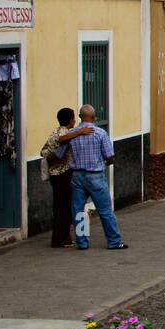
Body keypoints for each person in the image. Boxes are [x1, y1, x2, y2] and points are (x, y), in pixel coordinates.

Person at [66, 104, 128, 250]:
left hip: (77, 176)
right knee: (105, 210)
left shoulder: (72, 133)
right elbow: (110, 156)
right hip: (95, 176)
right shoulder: (100, 133)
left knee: (78, 211)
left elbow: (60, 152)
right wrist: (105, 162)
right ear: (93, 117)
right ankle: (113, 241)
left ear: (80, 117)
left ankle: (82, 242)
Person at [40, 108, 93, 248]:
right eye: (74, 118)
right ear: (71, 120)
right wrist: (80, 131)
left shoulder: (55, 131)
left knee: (60, 206)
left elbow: (43, 150)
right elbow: (62, 139)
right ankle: (61, 239)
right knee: (63, 207)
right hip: (61, 174)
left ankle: (62, 237)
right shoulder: (63, 132)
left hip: (56, 174)